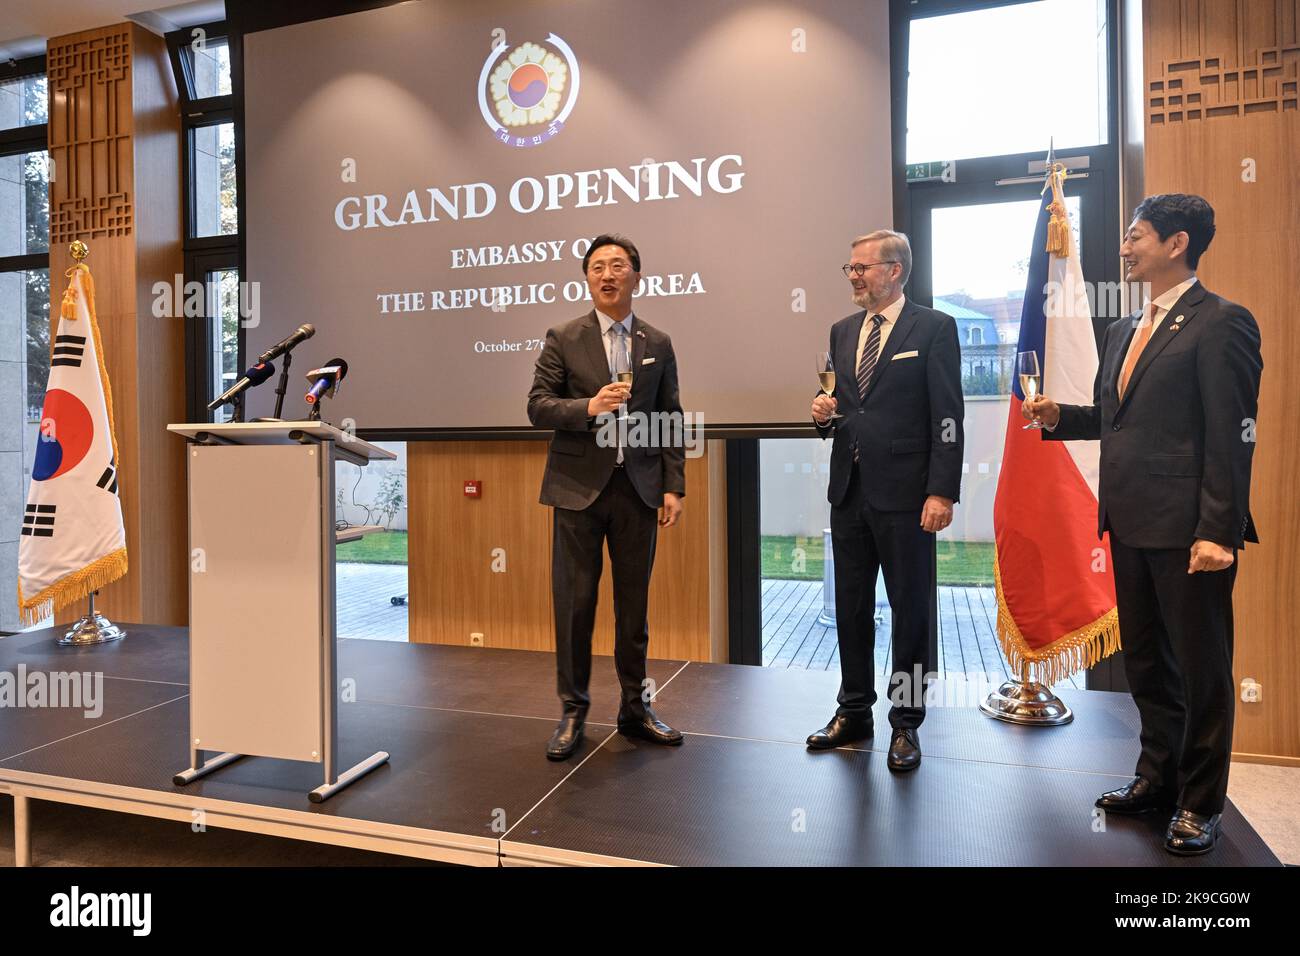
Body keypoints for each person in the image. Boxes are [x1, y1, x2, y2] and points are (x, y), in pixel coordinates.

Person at [1023, 194, 1263, 855]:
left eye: (1136, 237)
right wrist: (1057, 418)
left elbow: (1231, 435)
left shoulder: (1223, 324)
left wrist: (1218, 529)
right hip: (1127, 522)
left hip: (1191, 534)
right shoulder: (1124, 328)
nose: (1125, 248)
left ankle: (1201, 803)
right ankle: (1155, 780)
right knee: (1150, 666)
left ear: (1177, 243)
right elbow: (1114, 417)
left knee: (1201, 668)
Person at [807, 229, 964, 771]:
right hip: (849, 492)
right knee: (850, 609)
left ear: (894, 270)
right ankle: (853, 710)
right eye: (849, 268)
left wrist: (941, 490)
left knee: (910, 612)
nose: (853, 276)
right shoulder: (842, 329)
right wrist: (823, 417)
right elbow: (849, 409)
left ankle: (906, 722)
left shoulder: (935, 327)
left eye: (862, 268)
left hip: (908, 497)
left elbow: (948, 416)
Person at [526, 234, 686, 761]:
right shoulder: (563, 336)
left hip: (637, 490)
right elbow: (539, 408)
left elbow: (669, 418)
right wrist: (589, 406)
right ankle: (573, 712)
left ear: (636, 275)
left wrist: (672, 485)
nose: (607, 274)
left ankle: (636, 710)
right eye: (597, 267)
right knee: (575, 606)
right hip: (577, 490)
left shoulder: (656, 343)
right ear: (587, 278)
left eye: (618, 265)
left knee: (633, 608)